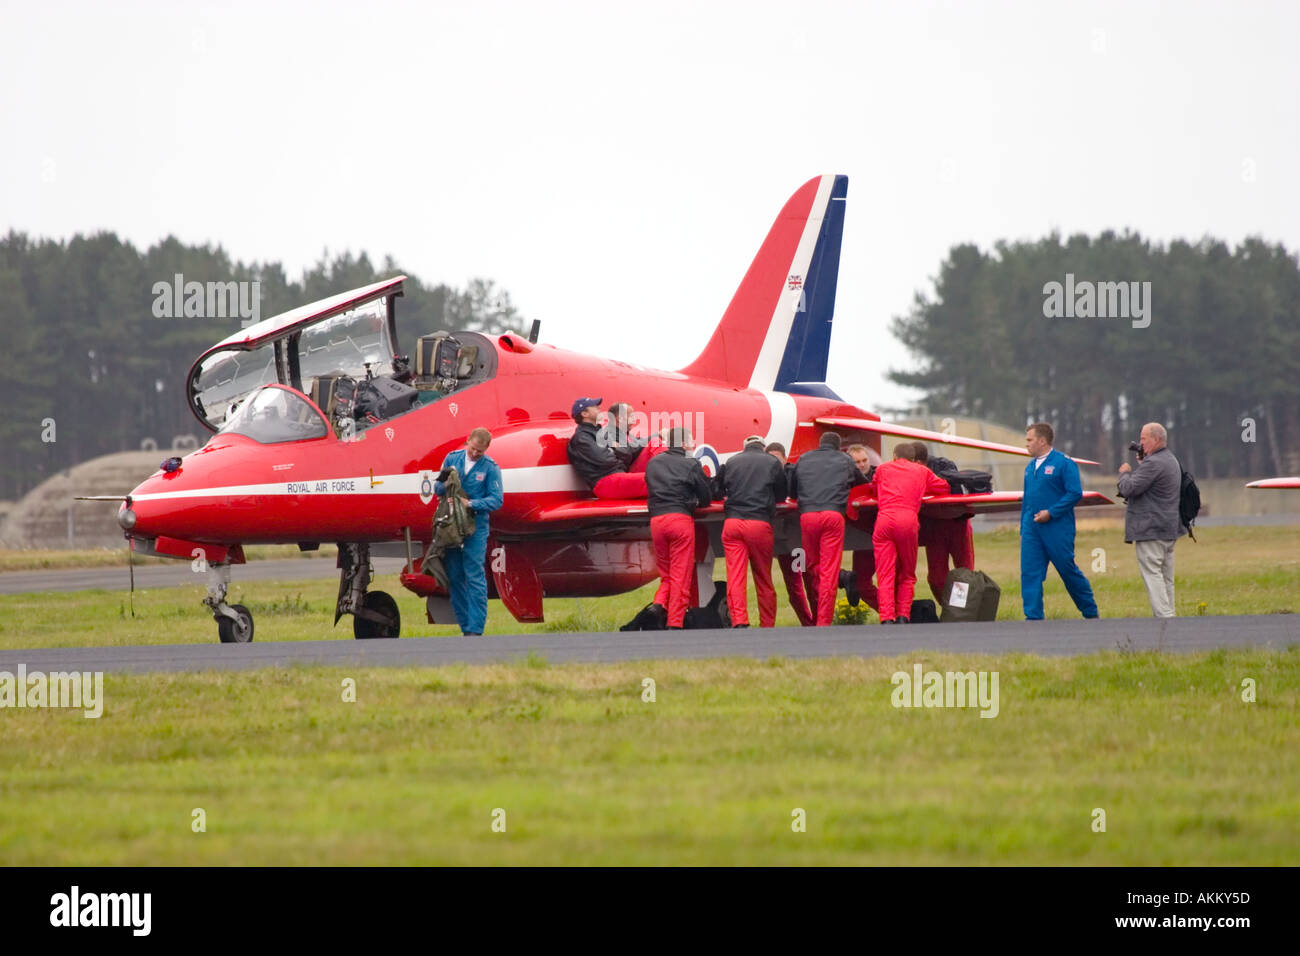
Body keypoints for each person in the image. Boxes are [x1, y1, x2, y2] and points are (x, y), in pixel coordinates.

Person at [863, 443, 951, 624]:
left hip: (884, 521)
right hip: (908, 522)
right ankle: (904, 615)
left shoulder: (882, 468)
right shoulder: (921, 471)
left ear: (894, 456)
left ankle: (886, 617)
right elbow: (944, 487)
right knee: (907, 573)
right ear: (913, 459)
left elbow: (873, 488)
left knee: (885, 573)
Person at [789, 431, 869, 626]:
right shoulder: (844, 459)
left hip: (807, 516)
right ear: (838, 445)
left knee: (810, 566)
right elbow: (863, 483)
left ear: (820, 444)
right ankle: (823, 622)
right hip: (833, 516)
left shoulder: (804, 458)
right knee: (828, 571)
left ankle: (841, 577)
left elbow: (792, 489)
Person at [1020, 422, 1099, 620]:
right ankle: (1033, 617)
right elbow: (1027, 499)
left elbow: (1075, 493)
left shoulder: (1064, 463)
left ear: (1042, 441)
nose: (1026, 444)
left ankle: (1090, 612)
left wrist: (1051, 513)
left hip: (1057, 528)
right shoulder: (1030, 467)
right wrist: (1023, 527)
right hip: (1032, 529)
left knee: (1067, 569)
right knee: (1030, 573)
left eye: (1030, 440)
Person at [433, 427, 504, 635]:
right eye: (472, 449)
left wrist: (471, 503)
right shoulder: (451, 459)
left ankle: (475, 630)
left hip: (476, 527)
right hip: (451, 526)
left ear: (486, 450)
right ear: (467, 442)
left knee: (474, 575)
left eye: (479, 452)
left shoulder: (491, 468)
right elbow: (437, 489)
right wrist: (445, 483)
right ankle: (465, 627)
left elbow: (496, 499)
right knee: (454, 576)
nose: (474, 453)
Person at [644, 426, 713, 629]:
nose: (693, 444)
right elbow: (706, 496)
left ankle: (658, 604)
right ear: (683, 444)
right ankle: (675, 623)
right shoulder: (691, 464)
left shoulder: (653, 463)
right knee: (680, 576)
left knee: (666, 574)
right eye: (691, 440)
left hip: (656, 522)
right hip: (680, 520)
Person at [717, 435, 787, 627]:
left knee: (735, 576)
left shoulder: (731, 461)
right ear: (763, 447)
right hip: (759, 523)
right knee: (763, 576)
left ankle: (739, 621)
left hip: (732, 523)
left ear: (744, 447)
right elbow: (782, 493)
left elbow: (718, 489)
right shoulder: (772, 462)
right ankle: (767, 624)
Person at [1117, 422, 1184, 617]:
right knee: (1166, 577)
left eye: (1143, 439)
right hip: (1169, 528)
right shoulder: (1170, 460)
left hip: (1151, 529)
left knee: (1152, 574)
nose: (1140, 443)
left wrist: (1124, 473)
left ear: (1155, 440)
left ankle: (1164, 618)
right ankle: (1169, 614)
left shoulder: (1154, 463)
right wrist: (1142, 465)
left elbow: (1128, 488)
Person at [912, 441, 976, 602]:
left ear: (918, 463)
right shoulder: (919, 470)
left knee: (964, 572)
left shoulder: (944, 466)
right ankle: (950, 609)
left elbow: (952, 491)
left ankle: (961, 610)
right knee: (936, 577)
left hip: (957, 524)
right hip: (934, 527)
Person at [766, 442, 816, 626]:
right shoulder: (764, 476)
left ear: (785, 459)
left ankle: (818, 621)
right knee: (793, 588)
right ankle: (807, 623)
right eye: (769, 459)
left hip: (796, 541)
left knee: (807, 579)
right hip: (779, 542)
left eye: (776, 459)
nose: (773, 463)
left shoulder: (795, 474)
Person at [567, 397, 646, 498]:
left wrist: (614, 450)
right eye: (595, 407)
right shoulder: (582, 438)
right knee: (658, 479)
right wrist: (615, 450)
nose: (599, 408)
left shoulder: (599, 433)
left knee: (655, 447)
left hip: (618, 475)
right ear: (585, 414)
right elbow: (605, 460)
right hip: (605, 482)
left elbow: (626, 452)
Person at [844, 443, 881, 613]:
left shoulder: (880, 475)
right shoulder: (843, 480)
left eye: (864, 460)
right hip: (861, 539)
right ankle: (892, 613)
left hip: (883, 534)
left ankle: (904, 613)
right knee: (861, 584)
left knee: (897, 579)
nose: (862, 464)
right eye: (857, 462)